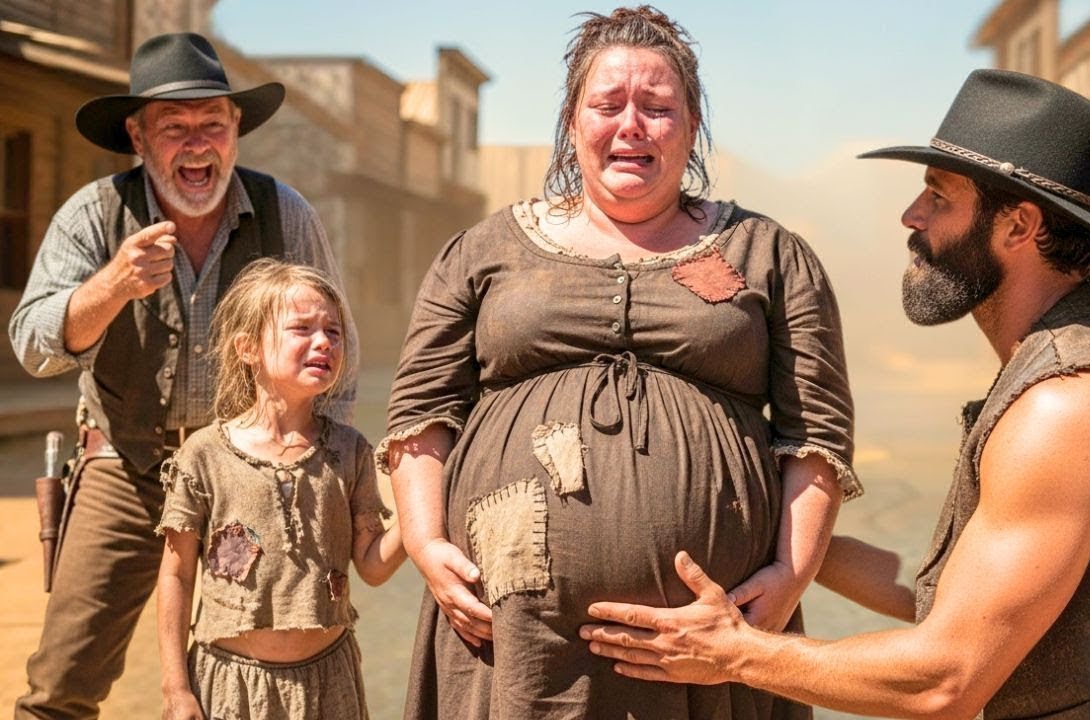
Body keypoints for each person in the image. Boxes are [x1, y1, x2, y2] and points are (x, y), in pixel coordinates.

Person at [581, 69, 1090, 720]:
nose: (912, 216)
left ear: (1019, 226)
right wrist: (763, 524)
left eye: (940, 196)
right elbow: (955, 589)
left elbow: (946, 676)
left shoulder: (1073, 404)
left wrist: (735, 654)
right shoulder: (1061, 364)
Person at [381, 5, 857, 718]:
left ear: (692, 127)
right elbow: (421, 411)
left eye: (658, 107)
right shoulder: (484, 249)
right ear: (574, 124)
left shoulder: (769, 254)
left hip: (710, 637)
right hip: (510, 632)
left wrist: (792, 572)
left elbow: (815, 435)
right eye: (607, 104)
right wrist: (423, 541)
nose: (631, 123)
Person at [7, 32, 356, 718]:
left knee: (273, 674)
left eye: (213, 125)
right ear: (137, 137)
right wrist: (110, 287)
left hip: (254, 477)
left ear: (235, 133)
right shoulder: (94, 214)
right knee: (61, 685)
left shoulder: (286, 214)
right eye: (175, 128)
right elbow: (32, 346)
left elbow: (336, 359)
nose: (197, 145)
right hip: (128, 468)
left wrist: (325, 471)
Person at [154, 259, 403, 720]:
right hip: (229, 683)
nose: (324, 341)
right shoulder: (205, 455)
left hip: (329, 684)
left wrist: (416, 518)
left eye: (334, 331)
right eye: (302, 328)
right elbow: (176, 576)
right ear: (248, 348)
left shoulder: (349, 452)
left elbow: (370, 567)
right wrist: (176, 688)